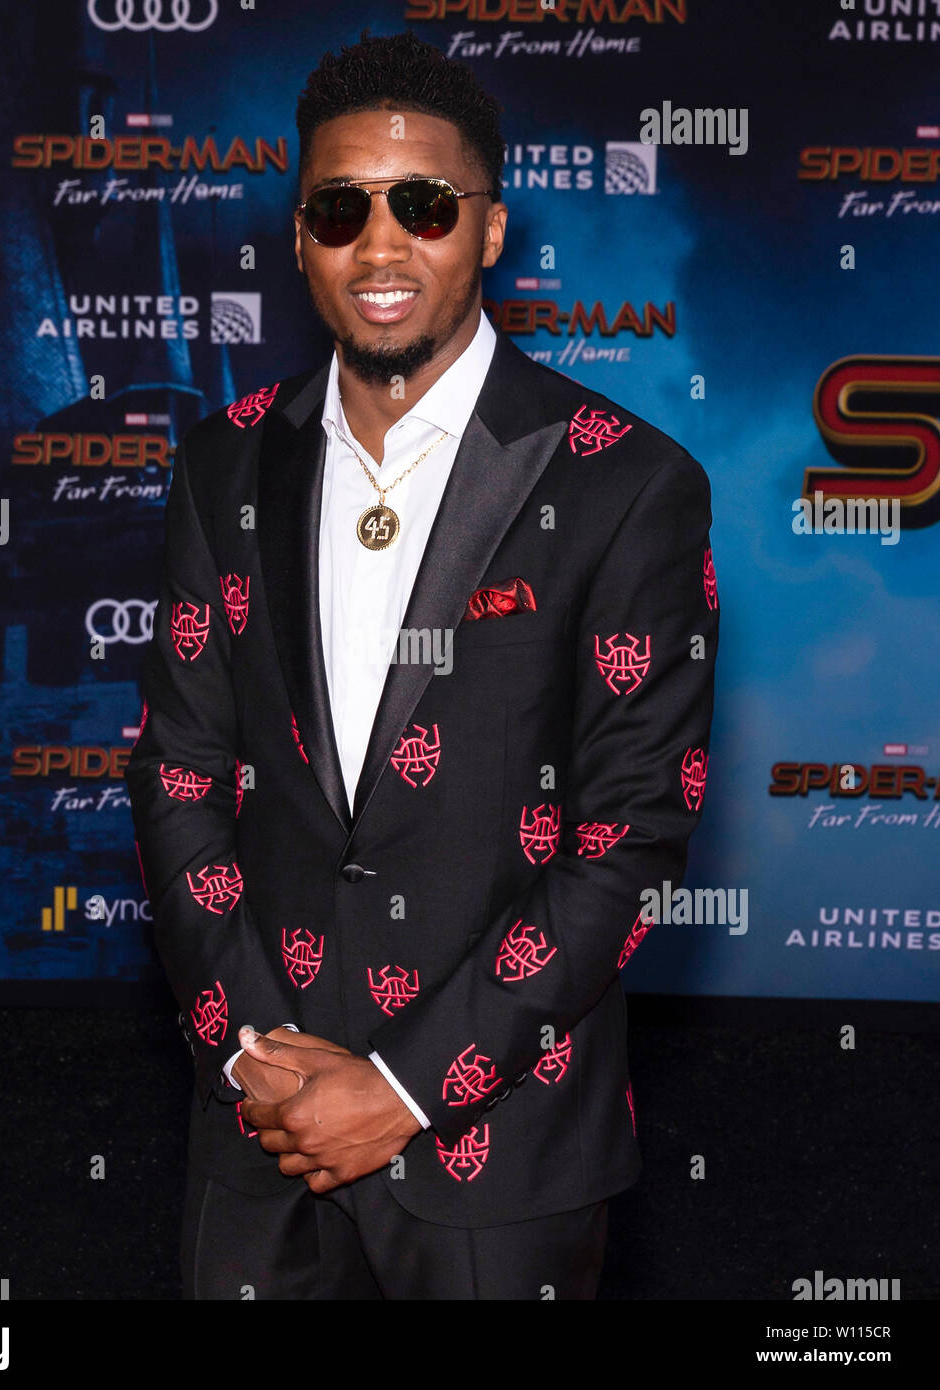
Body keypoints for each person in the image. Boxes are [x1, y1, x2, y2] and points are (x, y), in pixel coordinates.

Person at [126, 28, 718, 1301]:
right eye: (340, 208)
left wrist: (398, 1089)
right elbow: (179, 771)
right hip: (258, 1136)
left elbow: (630, 831)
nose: (381, 244)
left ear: (491, 230)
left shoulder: (625, 480)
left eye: (425, 206)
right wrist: (252, 1063)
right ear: (298, 240)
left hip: (498, 1159)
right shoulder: (224, 458)